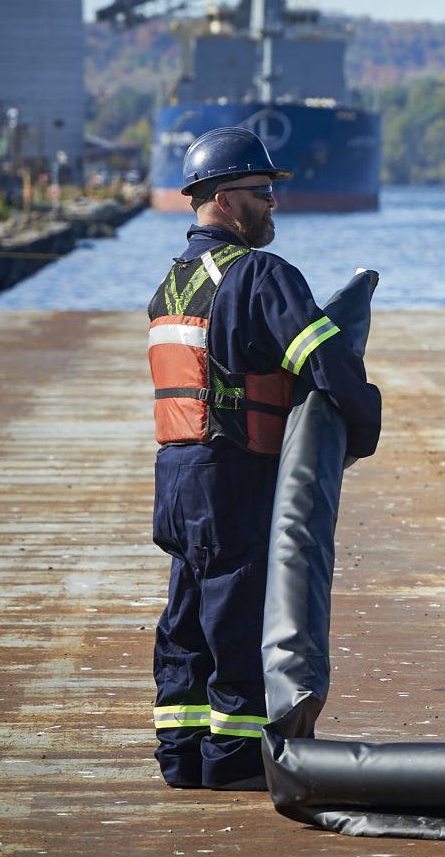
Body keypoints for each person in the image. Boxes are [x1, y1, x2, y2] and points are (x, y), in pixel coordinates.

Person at [147, 127, 382, 790]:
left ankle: (181, 755)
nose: (274, 205)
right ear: (225, 198)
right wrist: (359, 426)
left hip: (176, 474)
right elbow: (326, 360)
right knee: (239, 616)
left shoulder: (173, 283)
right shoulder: (260, 276)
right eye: (263, 192)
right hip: (233, 472)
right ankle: (235, 762)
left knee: (186, 617)